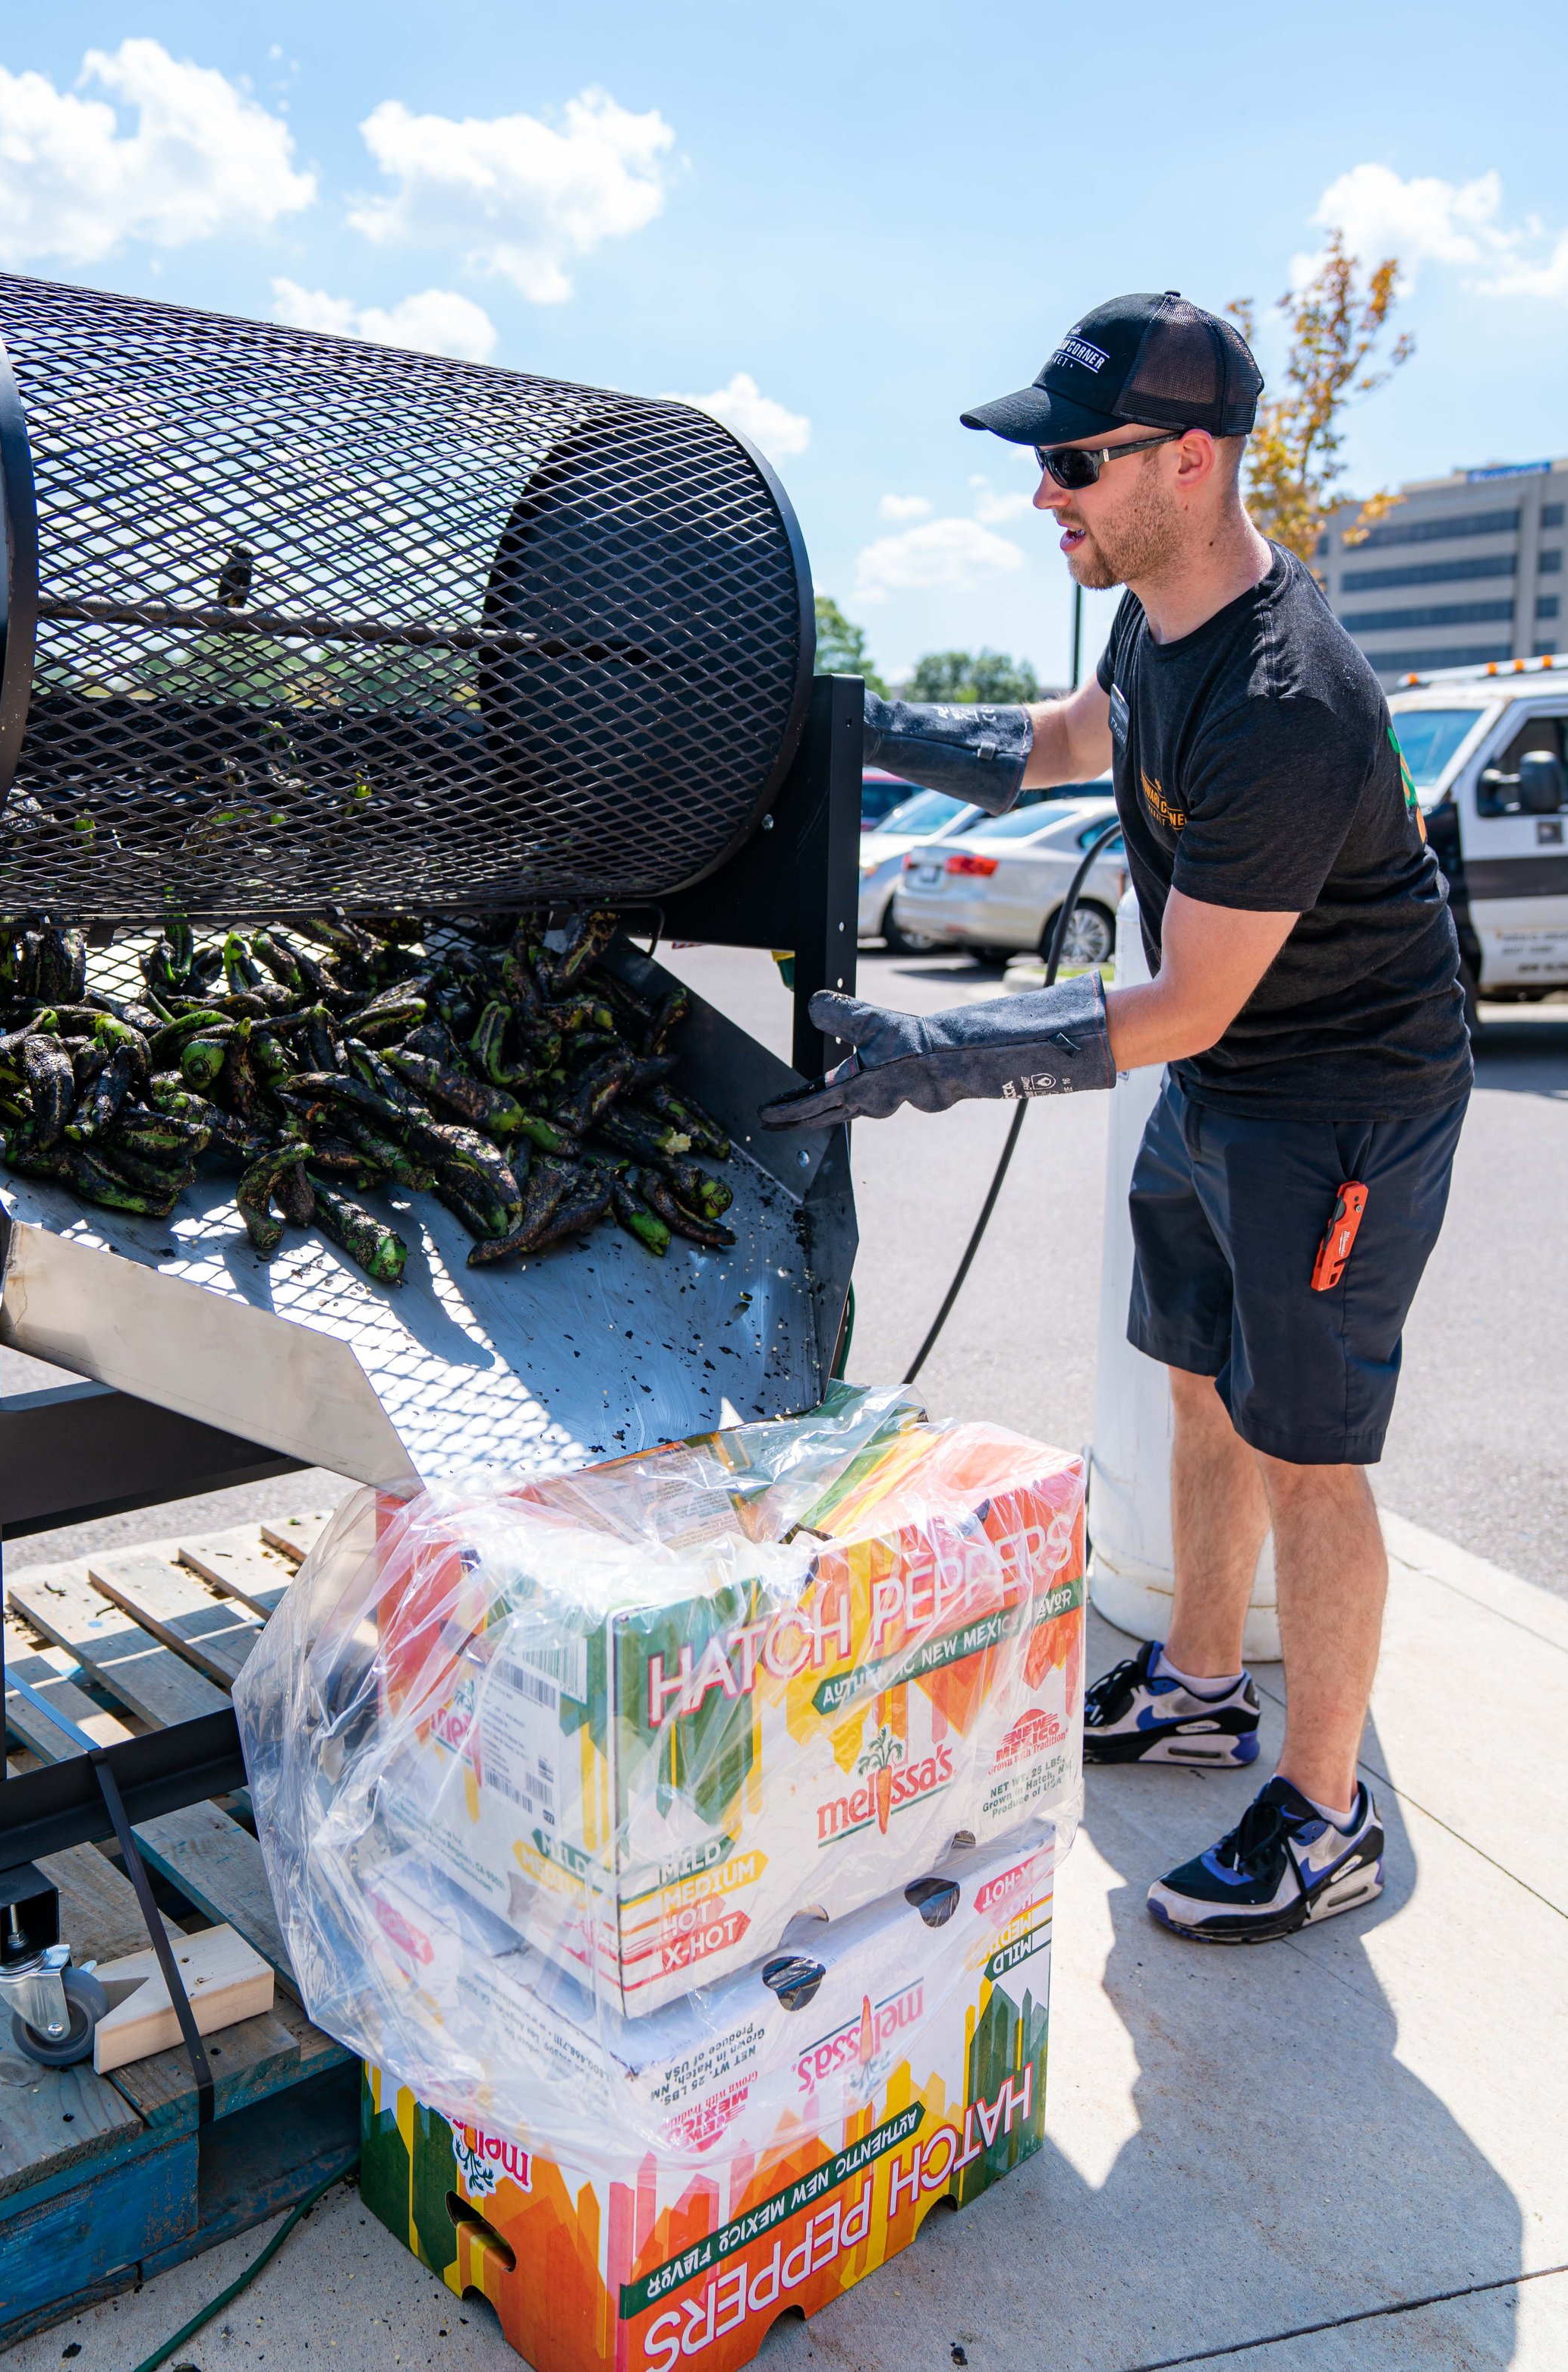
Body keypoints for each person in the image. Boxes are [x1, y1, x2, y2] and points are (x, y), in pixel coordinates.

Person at [764, 291, 1472, 1945]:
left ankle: (1318, 1813)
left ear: (1193, 459)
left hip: (1338, 1103)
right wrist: (859, 725)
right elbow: (1076, 740)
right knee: (1192, 1392)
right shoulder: (1150, 612)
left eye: (1074, 461)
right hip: (1227, 1085)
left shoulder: (1289, 701)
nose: (1043, 496)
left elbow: (1178, 1006)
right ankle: (1203, 1688)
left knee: (1308, 1456)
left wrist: (935, 1048)